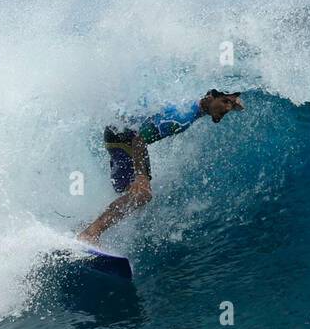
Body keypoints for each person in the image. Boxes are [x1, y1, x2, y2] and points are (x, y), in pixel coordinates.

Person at [78, 89, 244, 244]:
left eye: (230, 104)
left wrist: (231, 101)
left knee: (131, 195)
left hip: (120, 132)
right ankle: (90, 234)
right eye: (225, 102)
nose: (228, 108)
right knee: (142, 195)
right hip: (123, 139)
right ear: (210, 96)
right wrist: (142, 176)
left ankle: (85, 227)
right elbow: (139, 140)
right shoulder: (181, 118)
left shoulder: (193, 104)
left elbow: (218, 100)